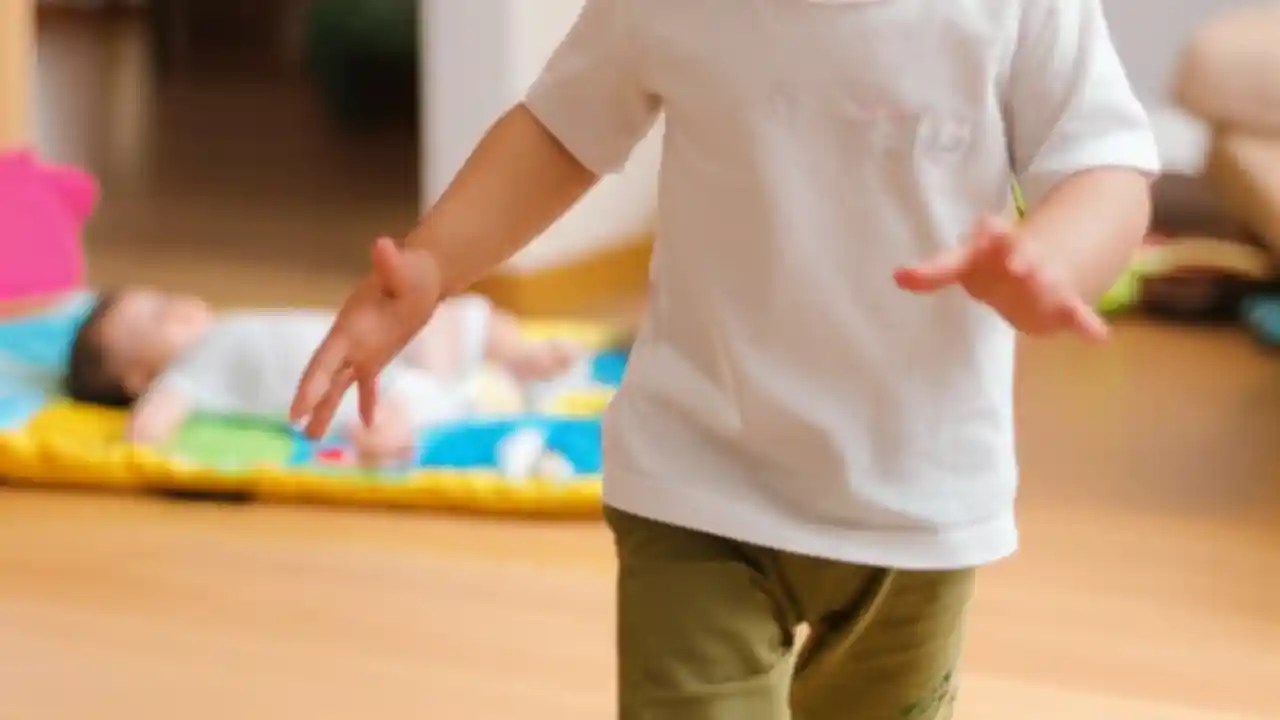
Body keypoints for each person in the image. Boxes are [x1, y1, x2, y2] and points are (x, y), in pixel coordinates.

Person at [291, 0, 1159, 716]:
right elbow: (561, 130)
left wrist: (1055, 260)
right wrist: (436, 263)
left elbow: (1104, 165)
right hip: (699, 469)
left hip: (913, 492)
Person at [66, 287, 580, 465]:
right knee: (387, 415)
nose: (171, 306)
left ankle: (520, 361)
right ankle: (489, 401)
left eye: (162, 298)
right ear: (135, 377)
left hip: (384, 343)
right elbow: (152, 423)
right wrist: (138, 443)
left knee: (467, 316)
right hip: (367, 389)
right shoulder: (187, 373)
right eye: (151, 320)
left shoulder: (228, 326)